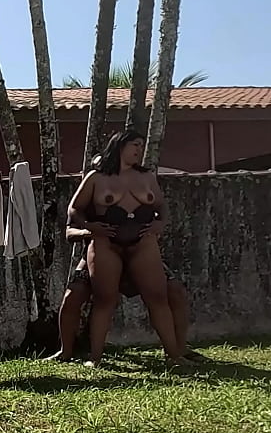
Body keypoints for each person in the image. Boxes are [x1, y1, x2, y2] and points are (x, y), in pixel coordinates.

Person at [64, 130, 188, 367]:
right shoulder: (96, 177)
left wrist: (160, 223)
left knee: (158, 297)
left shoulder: (147, 177)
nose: (139, 150)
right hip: (105, 243)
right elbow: (73, 209)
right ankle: (95, 358)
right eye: (135, 145)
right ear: (120, 146)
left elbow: (162, 207)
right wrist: (90, 227)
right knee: (105, 299)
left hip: (143, 243)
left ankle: (174, 355)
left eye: (141, 146)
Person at [46, 237, 206, 363]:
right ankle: (66, 351)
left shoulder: (141, 196)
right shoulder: (92, 198)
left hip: (137, 257)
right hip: (98, 257)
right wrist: (94, 232)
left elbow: (158, 219)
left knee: (175, 290)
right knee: (73, 296)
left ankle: (178, 349)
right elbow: (70, 231)